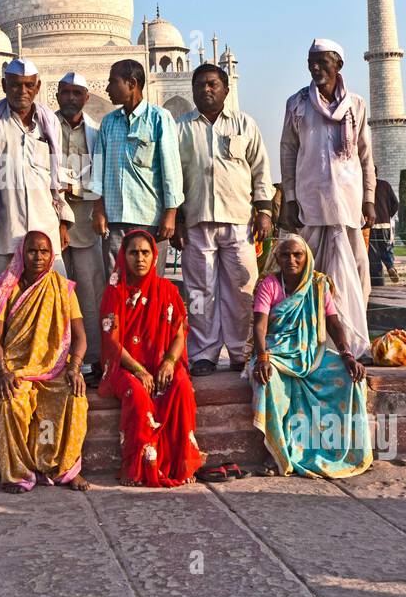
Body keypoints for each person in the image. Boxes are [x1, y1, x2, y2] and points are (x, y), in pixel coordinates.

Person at [0, 231, 90, 493]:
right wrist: (2, 373)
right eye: (32, 251)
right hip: (14, 367)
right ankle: (17, 472)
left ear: (51, 255)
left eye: (44, 251)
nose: (38, 257)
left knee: (75, 399)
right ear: (22, 254)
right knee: (11, 402)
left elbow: (80, 336)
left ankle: (63, 468)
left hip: (55, 368)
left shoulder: (61, 287)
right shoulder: (7, 287)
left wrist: (75, 368)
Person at [174, 63, 273, 376]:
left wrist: (265, 210)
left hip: (238, 219)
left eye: (212, 84)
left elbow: (260, 169)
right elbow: (172, 177)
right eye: (200, 84)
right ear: (192, 91)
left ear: (226, 90)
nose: (206, 89)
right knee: (200, 292)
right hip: (196, 219)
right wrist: (175, 218)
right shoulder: (181, 128)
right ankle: (203, 353)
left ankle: (241, 350)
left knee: (243, 288)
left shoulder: (244, 125)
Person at [279, 39, 375, 359]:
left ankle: (350, 342)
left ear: (339, 65)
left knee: (357, 275)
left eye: (322, 62)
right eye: (311, 62)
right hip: (311, 201)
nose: (315, 67)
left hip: (348, 203)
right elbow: (288, 151)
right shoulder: (297, 104)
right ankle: (311, 342)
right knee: (308, 276)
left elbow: (364, 155)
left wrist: (370, 199)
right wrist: (289, 197)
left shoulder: (356, 105)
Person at [247, 234, 373, 478]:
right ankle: (276, 452)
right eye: (285, 255)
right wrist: (262, 356)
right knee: (267, 380)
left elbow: (333, 323)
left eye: (297, 255)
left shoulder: (318, 284)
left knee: (350, 378)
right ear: (277, 258)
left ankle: (349, 451)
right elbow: (260, 326)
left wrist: (347, 354)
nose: (291, 260)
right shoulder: (269, 284)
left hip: (312, 354)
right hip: (276, 352)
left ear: (307, 257)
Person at [99, 230, 204, 487]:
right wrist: (139, 371)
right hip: (125, 365)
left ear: (154, 255)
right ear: (124, 256)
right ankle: (138, 468)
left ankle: (183, 463)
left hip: (161, 361)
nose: (140, 259)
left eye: (145, 252)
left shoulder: (167, 290)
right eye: (133, 253)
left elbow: (180, 333)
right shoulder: (115, 293)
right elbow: (112, 342)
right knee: (138, 396)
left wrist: (169, 361)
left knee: (181, 387)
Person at [0, 59, 72, 304]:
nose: (23, 91)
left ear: (38, 87)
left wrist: (62, 222)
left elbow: (57, 177)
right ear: (4, 85)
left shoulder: (49, 123)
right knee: (1, 306)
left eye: (29, 85)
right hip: (6, 232)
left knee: (55, 304)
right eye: (16, 85)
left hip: (45, 230)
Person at [89, 59, 183, 281]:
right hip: (114, 218)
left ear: (131, 83)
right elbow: (97, 169)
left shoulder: (159, 118)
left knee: (149, 285)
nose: (107, 89)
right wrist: (98, 209)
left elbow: (171, 168)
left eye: (113, 82)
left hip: (149, 217)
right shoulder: (108, 122)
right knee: (115, 284)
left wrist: (170, 213)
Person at [55, 72, 106, 382]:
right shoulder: (43, 129)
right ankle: (58, 359)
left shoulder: (97, 133)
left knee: (91, 293)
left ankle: (96, 359)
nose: (71, 98)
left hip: (86, 222)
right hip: (52, 221)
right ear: (56, 94)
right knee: (57, 294)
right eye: (66, 92)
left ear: (88, 97)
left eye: (77, 93)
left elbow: (100, 179)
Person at [367, 168, 400, 286]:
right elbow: (396, 204)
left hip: (369, 225)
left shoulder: (364, 186)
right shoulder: (385, 185)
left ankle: (378, 283)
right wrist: (387, 215)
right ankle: (390, 266)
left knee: (374, 255)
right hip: (385, 224)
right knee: (386, 247)